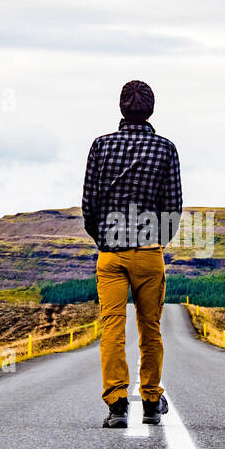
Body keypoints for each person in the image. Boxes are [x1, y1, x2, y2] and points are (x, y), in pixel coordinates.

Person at [81, 80, 182, 428]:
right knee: (150, 328)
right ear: (150, 109)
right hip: (149, 252)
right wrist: (156, 243)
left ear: (122, 108)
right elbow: (173, 208)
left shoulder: (101, 146)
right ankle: (152, 401)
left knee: (112, 327)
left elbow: (89, 206)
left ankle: (117, 404)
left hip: (110, 254)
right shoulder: (165, 149)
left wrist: (104, 240)